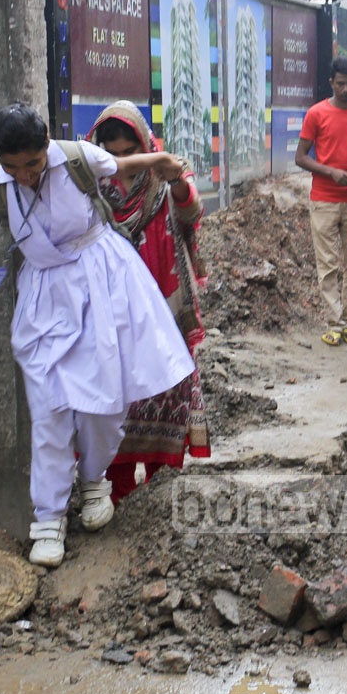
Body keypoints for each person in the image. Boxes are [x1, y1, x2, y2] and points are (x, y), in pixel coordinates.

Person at [0, 103, 196, 568]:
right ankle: (49, 518)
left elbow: (121, 166)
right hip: (43, 299)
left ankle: (94, 480)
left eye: (33, 164)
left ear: (46, 148)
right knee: (49, 409)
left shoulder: (75, 157)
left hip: (101, 286)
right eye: (14, 167)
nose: (25, 175)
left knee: (105, 404)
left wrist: (160, 161)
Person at [86, 101, 211, 502]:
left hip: (164, 308)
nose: (123, 163)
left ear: (145, 143)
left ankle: (160, 489)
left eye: (130, 152)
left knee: (166, 390)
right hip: (113, 311)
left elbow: (191, 209)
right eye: (113, 155)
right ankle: (119, 490)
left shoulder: (165, 172)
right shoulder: (89, 186)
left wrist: (174, 180)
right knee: (116, 399)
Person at [296, 57, 347, 347]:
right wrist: (330, 171)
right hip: (324, 199)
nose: (345, 89)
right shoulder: (316, 113)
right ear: (331, 82)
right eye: (340, 83)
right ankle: (334, 323)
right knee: (328, 264)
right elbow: (300, 156)